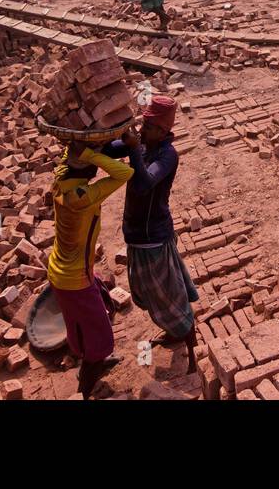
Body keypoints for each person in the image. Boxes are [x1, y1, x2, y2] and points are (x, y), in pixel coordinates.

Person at [103, 97, 199, 372]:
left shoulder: (168, 155)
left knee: (171, 296)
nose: (142, 131)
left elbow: (144, 183)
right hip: (136, 234)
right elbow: (109, 150)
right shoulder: (144, 144)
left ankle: (190, 344)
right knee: (152, 294)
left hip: (154, 237)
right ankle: (175, 333)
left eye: (148, 126)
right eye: (142, 124)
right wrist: (116, 130)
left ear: (162, 130)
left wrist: (133, 148)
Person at [46, 143, 133, 399]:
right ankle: (85, 388)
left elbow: (70, 151)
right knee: (101, 338)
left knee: (82, 324)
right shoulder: (83, 197)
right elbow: (124, 173)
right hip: (75, 281)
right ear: (90, 171)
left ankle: (93, 360)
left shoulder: (61, 179)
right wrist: (91, 154)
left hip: (61, 272)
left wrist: (84, 148)